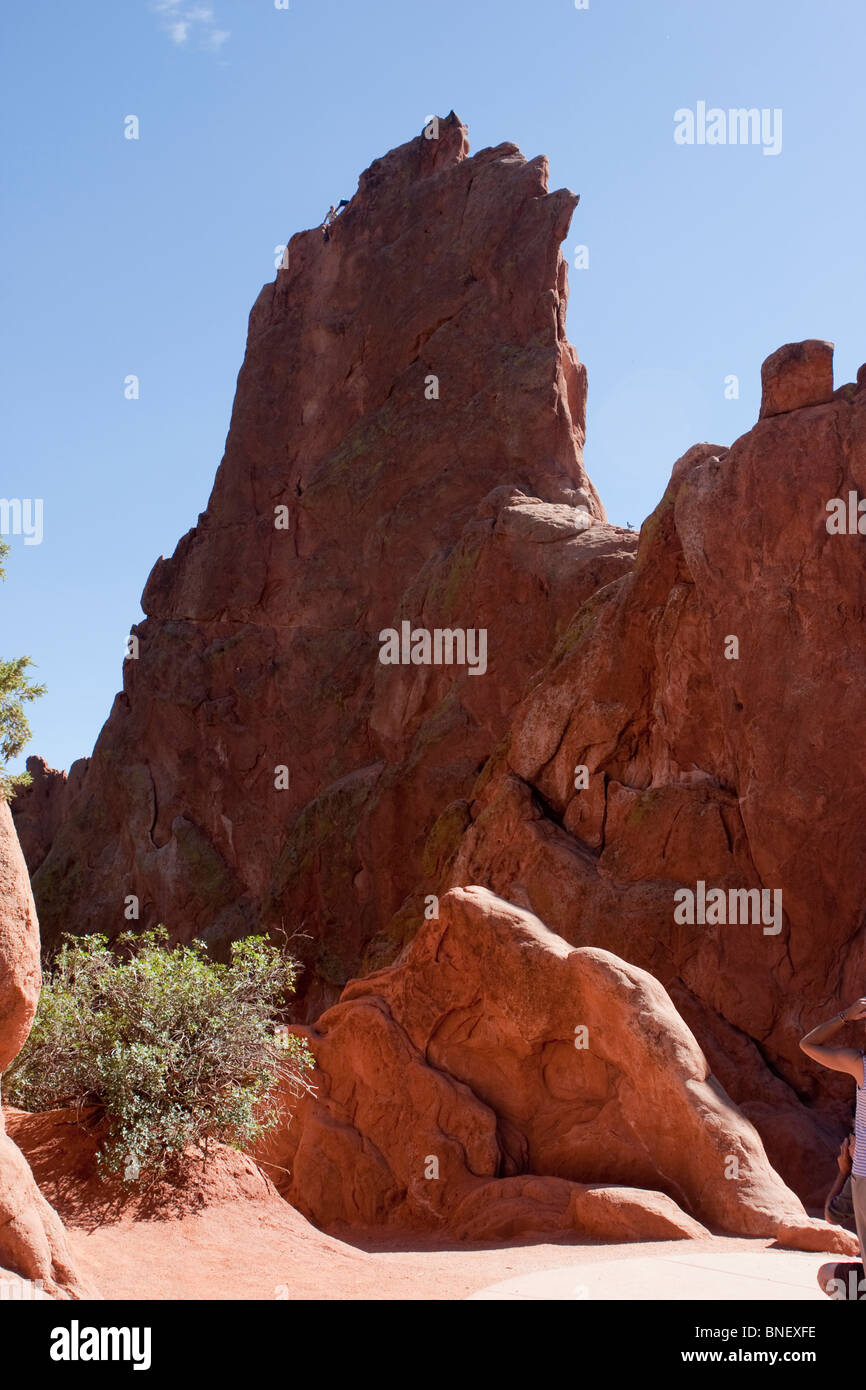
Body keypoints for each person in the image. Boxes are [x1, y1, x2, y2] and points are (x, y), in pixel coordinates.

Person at [800, 997, 866, 1299]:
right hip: (861, 1176)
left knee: (832, 1277)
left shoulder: (861, 1065)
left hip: (863, 1177)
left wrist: (845, 1016)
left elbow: (810, 1045)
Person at [817, 1131, 864, 1298]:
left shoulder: (860, 1178)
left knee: (826, 1274)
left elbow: (831, 1216)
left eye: (851, 1140)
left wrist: (844, 1171)